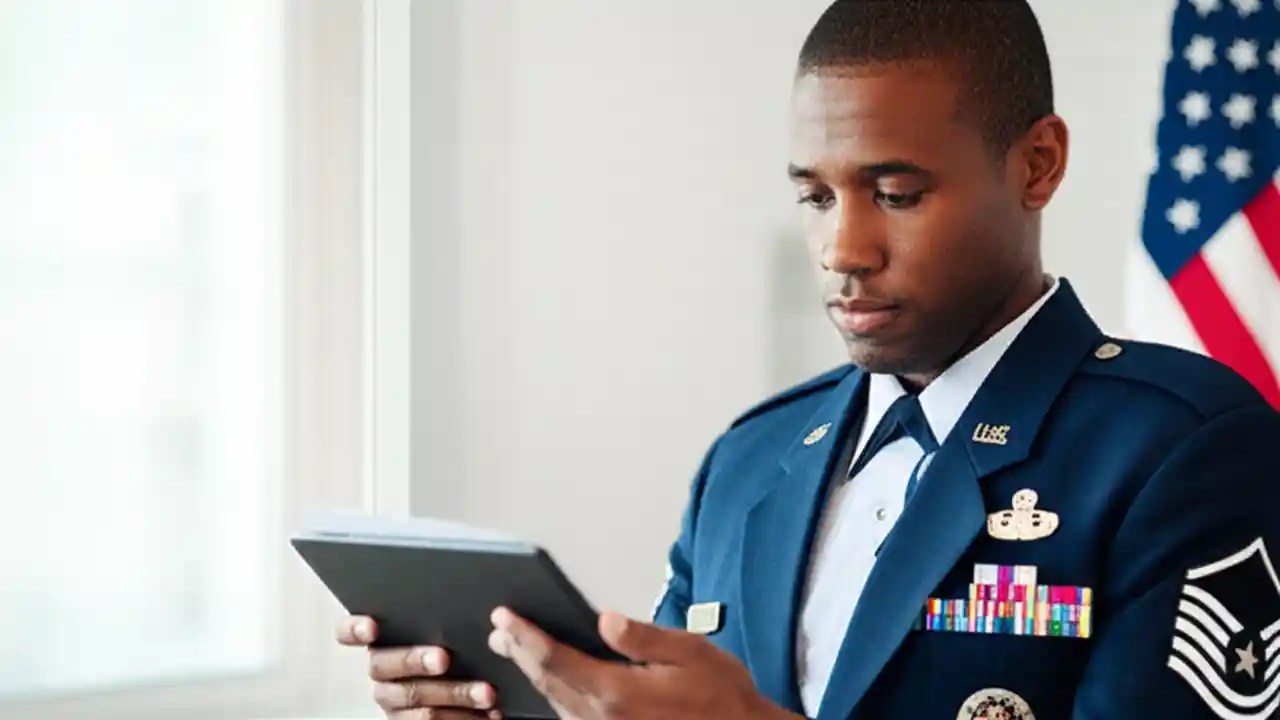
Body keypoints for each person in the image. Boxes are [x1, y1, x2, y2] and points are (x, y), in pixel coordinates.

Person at [336, 1, 1280, 718]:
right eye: (816, 198)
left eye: (897, 193)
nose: (841, 249)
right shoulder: (751, 460)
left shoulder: (1185, 447)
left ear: (1036, 165)